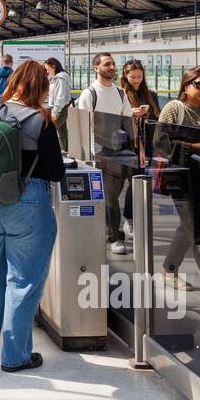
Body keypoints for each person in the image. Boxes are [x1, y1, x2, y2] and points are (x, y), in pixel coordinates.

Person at [0, 60, 65, 372]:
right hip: (27, 203)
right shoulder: (41, 120)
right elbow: (55, 172)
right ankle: (15, 356)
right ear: (42, 88)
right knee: (23, 280)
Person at [76, 53, 137, 255]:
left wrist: (136, 149)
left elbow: (127, 122)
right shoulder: (90, 93)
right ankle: (114, 237)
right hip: (100, 153)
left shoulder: (120, 93)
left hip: (121, 152)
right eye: (107, 64)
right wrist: (88, 157)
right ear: (96, 67)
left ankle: (110, 229)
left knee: (120, 193)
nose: (112, 67)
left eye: (113, 64)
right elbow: (83, 126)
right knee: (110, 197)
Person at [155, 67, 200, 286]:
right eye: (199, 85)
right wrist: (194, 147)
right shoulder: (174, 108)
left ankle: (169, 269)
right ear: (186, 86)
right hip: (179, 176)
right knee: (197, 230)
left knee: (188, 225)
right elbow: (159, 141)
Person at [121, 57, 161, 159]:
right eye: (132, 77)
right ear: (125, 76)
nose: (136, 80)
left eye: (139, 77)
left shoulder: (151, 95)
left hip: (149, 145)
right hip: (129, 146)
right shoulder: (121, 95)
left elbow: (157, 119)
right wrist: (131, 113)